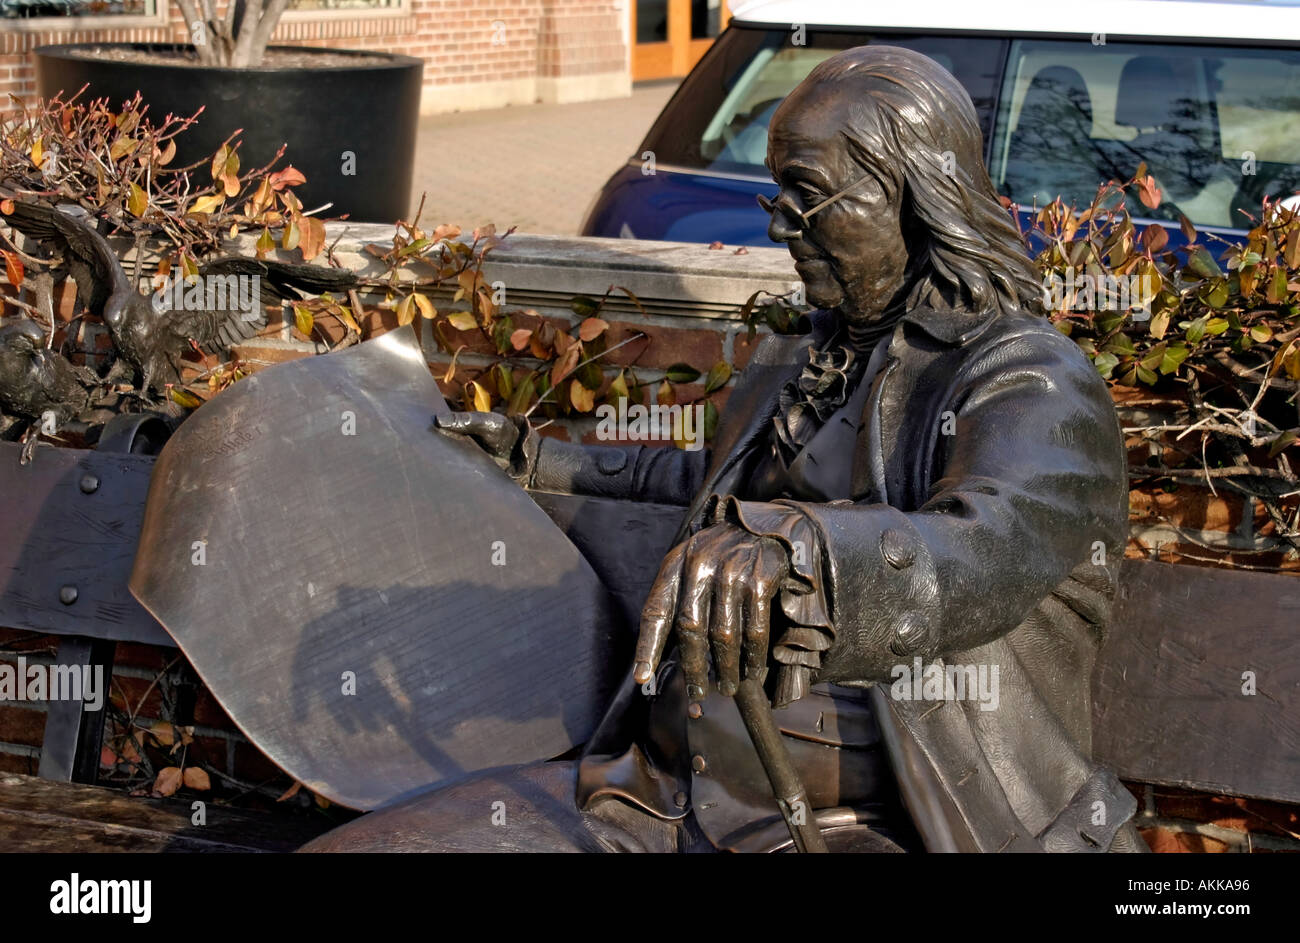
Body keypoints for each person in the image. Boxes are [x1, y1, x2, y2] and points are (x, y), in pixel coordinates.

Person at [303, 45, 1145, 853]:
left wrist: (806, 553)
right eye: (774, 195)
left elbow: (980, 553)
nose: (781, 225)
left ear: (913, 197)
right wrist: (538, 462)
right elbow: (701, 485)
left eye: (806, 195)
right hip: (650, 795)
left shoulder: (1028, 380)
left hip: (867, 824)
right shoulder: (808, 355)